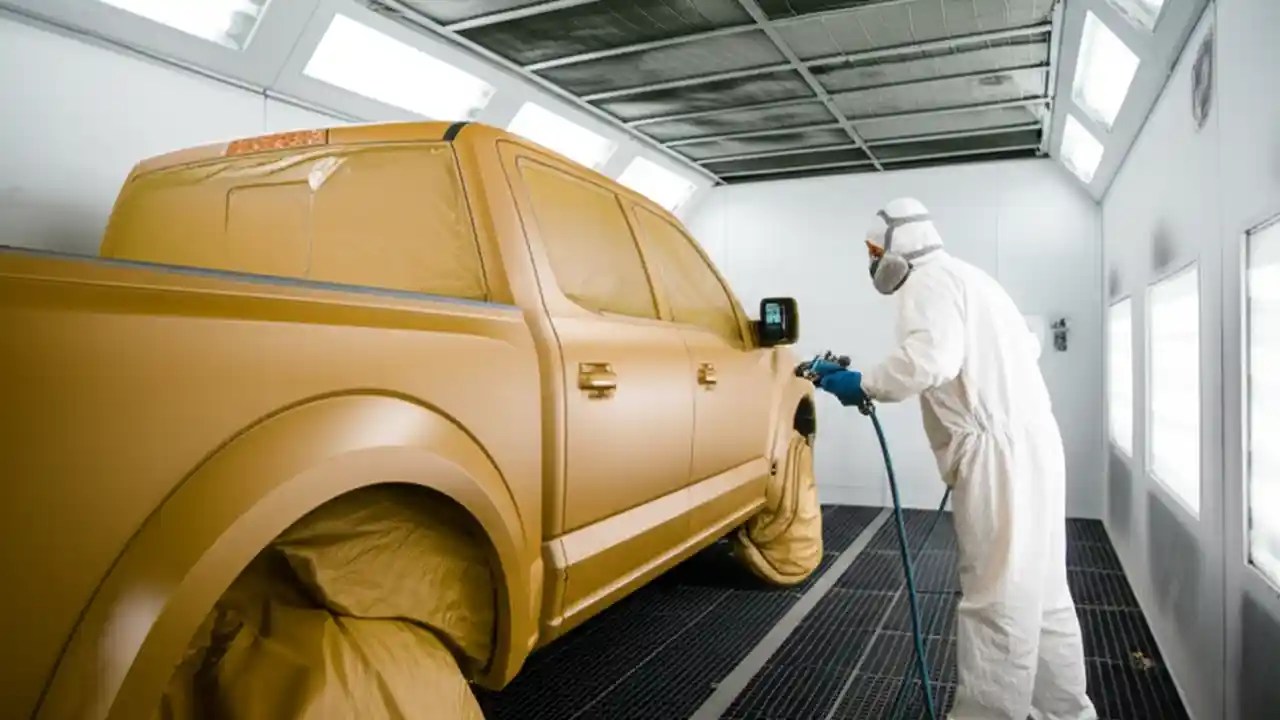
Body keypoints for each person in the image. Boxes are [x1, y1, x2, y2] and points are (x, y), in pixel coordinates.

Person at [811, 198, 1097, 720]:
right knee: (1043, 591)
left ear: (898, 247)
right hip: (1034, 443)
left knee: (996, 599)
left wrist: (863, 382)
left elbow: (932, 360)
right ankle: (1064, 712)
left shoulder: (926, 284)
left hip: (997, 457)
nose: (872, 263)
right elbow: (1022, 348)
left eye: (874, 251)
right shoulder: (975, 279)